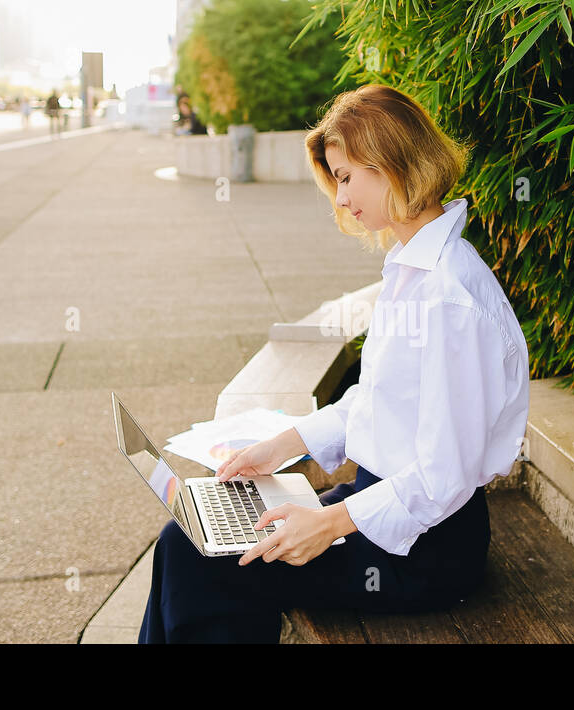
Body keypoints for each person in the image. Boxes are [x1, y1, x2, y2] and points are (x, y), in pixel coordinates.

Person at [137, 84, 531, 643]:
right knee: (188, 539)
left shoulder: (448, 295)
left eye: (346, 176)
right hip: (378, 509)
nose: (341, 199)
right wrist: (281, 446)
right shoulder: (413, 266)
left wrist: (326, 525)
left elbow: (444, 475)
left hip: (422, 546)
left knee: (209, 564)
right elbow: (376, 402)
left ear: (391, 160)